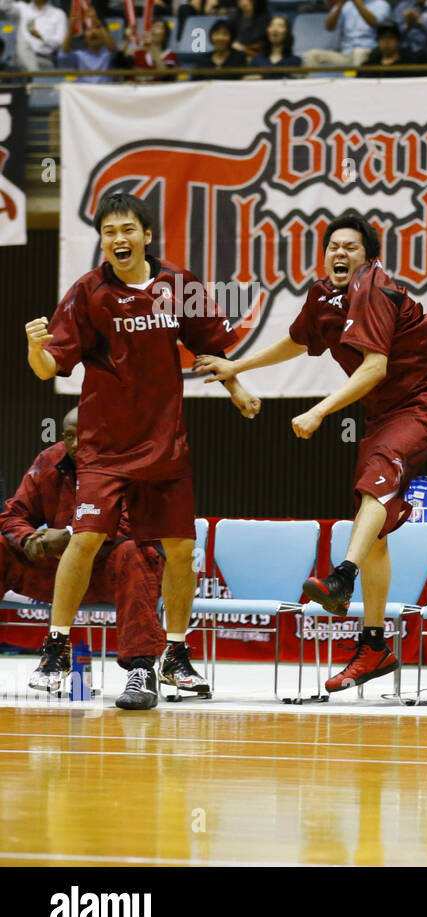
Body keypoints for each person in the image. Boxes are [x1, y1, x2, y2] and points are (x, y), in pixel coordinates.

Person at [194, 215, 427, 694]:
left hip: (421, 403)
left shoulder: (375, 288)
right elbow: (297, 341)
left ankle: (342, 577)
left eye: (351, 248)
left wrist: (318, 411)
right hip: (383, 417)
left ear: (369, 257)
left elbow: (375, 368)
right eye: (333, 247)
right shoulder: (322, 296)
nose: (340, 254)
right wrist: (238, 364)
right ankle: (375, 644)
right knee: (373, 523)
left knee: (374, 484)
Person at [25, 192, 259, 711]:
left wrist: (238, 389)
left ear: (146, 236)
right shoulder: (87, 292)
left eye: (127, 230)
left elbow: (211, 347)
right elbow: (49, 368)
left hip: (165, 445)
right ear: (103, 241)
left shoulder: (179, 286)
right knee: (85, 540)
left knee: (178, 549)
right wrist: (34, 346)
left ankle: (175, 653)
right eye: (108, 232)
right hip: (105, 446)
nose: (118, 239)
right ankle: (57, 647)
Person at [4, 409, 211, 696]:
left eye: (84, 436)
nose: (76, 444)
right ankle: (54, 655)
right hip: (60, 574)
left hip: (111, 572)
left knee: (134, 552)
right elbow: (12, 514)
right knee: (3, 546)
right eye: (69, 436)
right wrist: (29, 539)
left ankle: (141, 668)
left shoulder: (129, 463)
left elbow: (131, 523)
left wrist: (66, 537)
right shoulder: (49, 460)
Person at [303, 0, 392, 68]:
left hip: (369, 52)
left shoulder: (381, 4)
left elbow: (375, 24)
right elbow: (329, 27)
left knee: (358, 53)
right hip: (346, 53)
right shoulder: (347, 5)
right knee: (311, 55)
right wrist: (340, 5)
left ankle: (356, 89)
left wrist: (357, 3)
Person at [57, 14, 127, 83]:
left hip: (106, 92)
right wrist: (70, 29)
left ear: (105, 33)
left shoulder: (109, 54)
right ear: (85, 37)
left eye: (97, 28)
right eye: (88, 29)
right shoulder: (80, 55)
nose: (93, 32)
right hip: (85, 92)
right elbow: (63, 55)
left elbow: (114, 50)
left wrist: (100, 25)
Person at [0, 0, 67, 71]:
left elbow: (60, 41)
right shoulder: (23, 8)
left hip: (45, 59)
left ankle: (34, 74)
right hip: (21, 58)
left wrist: (41, 37)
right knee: (23, 44)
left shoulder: (58, 14)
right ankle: (34, 74)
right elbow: (3, 6)